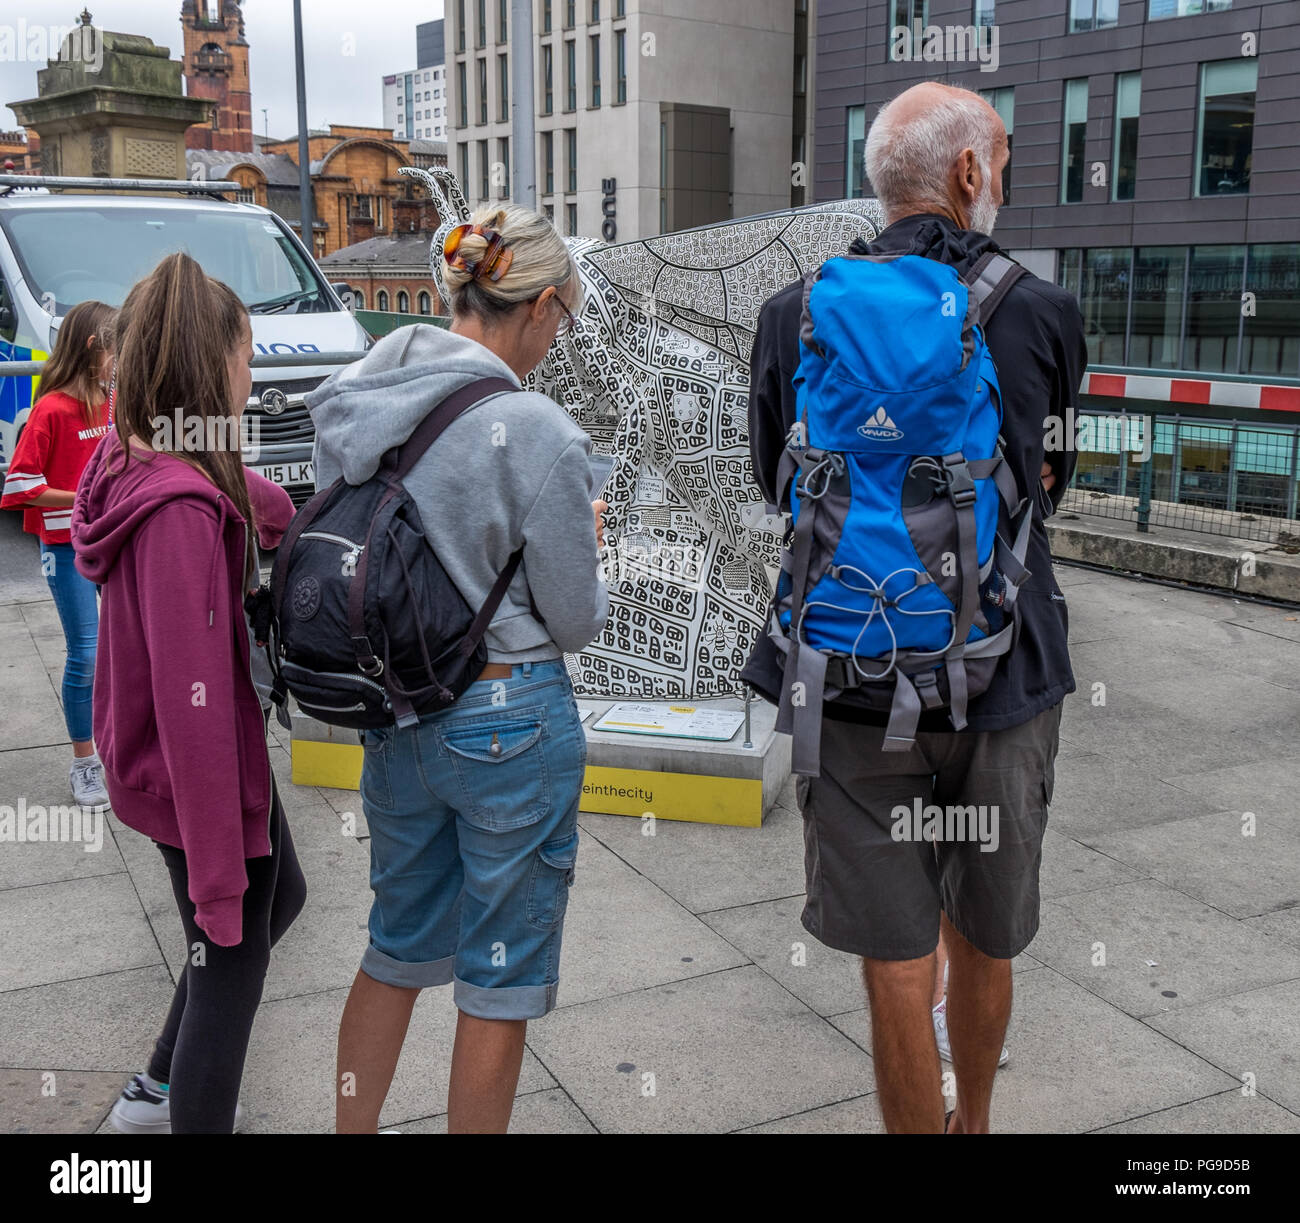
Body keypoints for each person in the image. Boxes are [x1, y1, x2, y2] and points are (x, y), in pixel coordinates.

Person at [741, 82, 1086, 1134]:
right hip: (1001, 671)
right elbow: (1046, 485)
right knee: (982, 931)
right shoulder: (1039, 310)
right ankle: (973, 1119)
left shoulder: (794, 312)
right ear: (971, 174)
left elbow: (774, 481)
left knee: (895, 954)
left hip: (846, 667)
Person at [314, 204, 608, 1134]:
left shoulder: (355, 397)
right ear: (541, 303)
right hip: (507, 717)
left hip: (394, 715)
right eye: (560, 316)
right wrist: (586, 544)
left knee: (395, 946)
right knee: (499, 975)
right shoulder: (536, 429)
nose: (557, 336)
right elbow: (575, 620)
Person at [71, 253, 306, 1133]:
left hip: (165, 766)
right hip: (196, 779)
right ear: (217, 368)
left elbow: (238, 489)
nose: (257, 371)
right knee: (230, 951)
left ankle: (150, 1092)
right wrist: (215, 873)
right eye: (247, 354)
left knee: (279, 900)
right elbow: (191, 697)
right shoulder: (176, 514)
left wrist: (294, 513)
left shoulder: (138, 455)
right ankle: (182, 1106)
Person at [2, 301, 115, 806]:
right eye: (116, 347)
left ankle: (119, 748)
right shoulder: (50, 409)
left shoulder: (112, 402)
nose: (122, 357)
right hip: (65, 548)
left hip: (111, 541)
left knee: (118, 651)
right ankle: (85, 763)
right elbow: (21, 483)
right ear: (94, 348)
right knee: (86, 655)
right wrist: (87, 497)